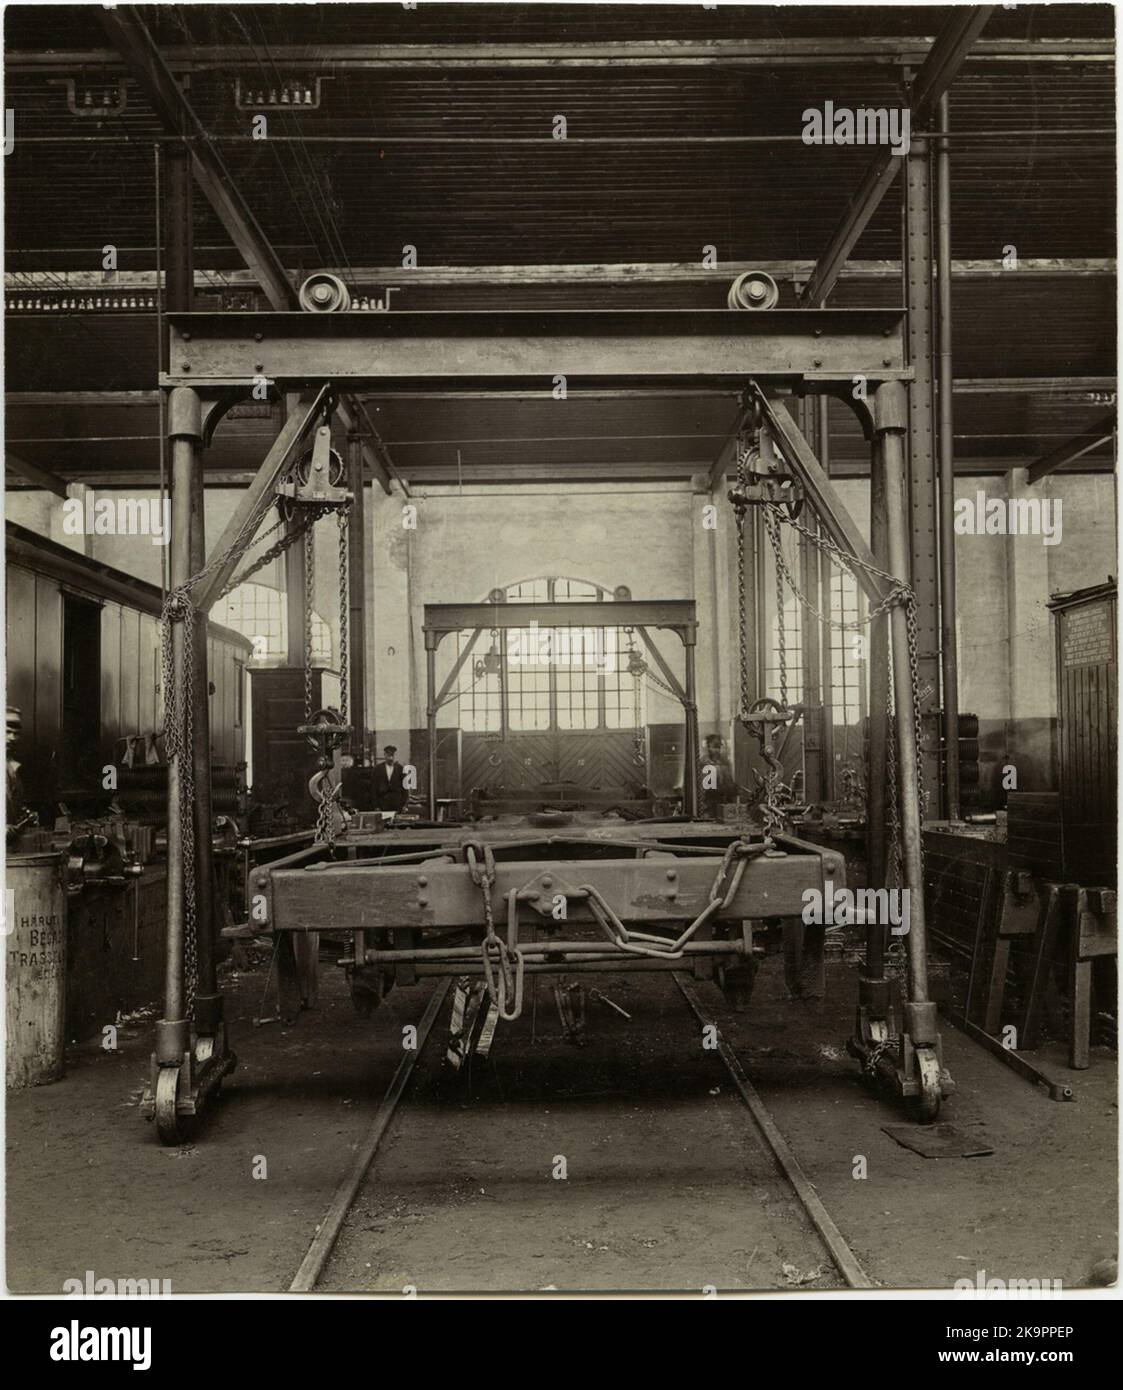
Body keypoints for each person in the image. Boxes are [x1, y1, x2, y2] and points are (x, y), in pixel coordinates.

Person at [699, 733, 735, 819]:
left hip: (722, 804)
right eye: (715, 747)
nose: (717, 750)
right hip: (707, 805)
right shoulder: (702, 763)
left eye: (719, 747)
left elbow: (729, 784)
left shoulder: (725, 762)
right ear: (708, 747)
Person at [373, 744, 408, 813]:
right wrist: (376, 806)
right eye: (388, 755)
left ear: (395, 756)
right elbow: (373, 788)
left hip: (397, 805)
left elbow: (405, 789)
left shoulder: (401, 769)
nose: (390, 758)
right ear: (384, 755)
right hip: (382, 805)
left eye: (392, 755)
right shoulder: (377, 769)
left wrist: (404, 805)